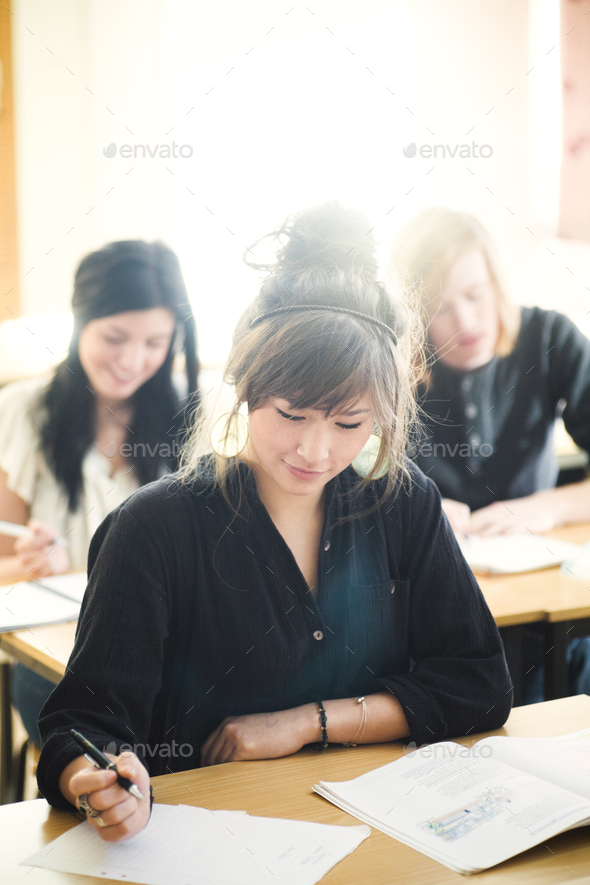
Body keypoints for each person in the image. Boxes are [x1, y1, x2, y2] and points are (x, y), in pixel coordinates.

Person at [36, 202, 511, 843]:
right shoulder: (153, 530)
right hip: (210, 845)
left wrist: (307, 722)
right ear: (245, 385)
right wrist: (93, 785)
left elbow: (478, 684)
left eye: (350, 424)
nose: (315, 452)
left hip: (382, 840)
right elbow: (83, 725)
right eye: (291, 414)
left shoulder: (401, 502)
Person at [1, 240, 199, 747]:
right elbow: (4, 563)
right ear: (79, 320)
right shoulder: (23, 413)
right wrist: (31, 566)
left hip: (170, 649)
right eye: (114, 337)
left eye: (156, 343)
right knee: (92, 739)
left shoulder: (193, 412)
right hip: (60, 651)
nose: (132, 360)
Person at [390, 207, 590, 699]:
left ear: (497, 283)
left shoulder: (551, 339)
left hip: (540, 595)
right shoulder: (389, 371)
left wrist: (546, 507)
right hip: (432, 615)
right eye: (439, 308)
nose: (467, 321)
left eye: (477, 295)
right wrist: (414, 510)